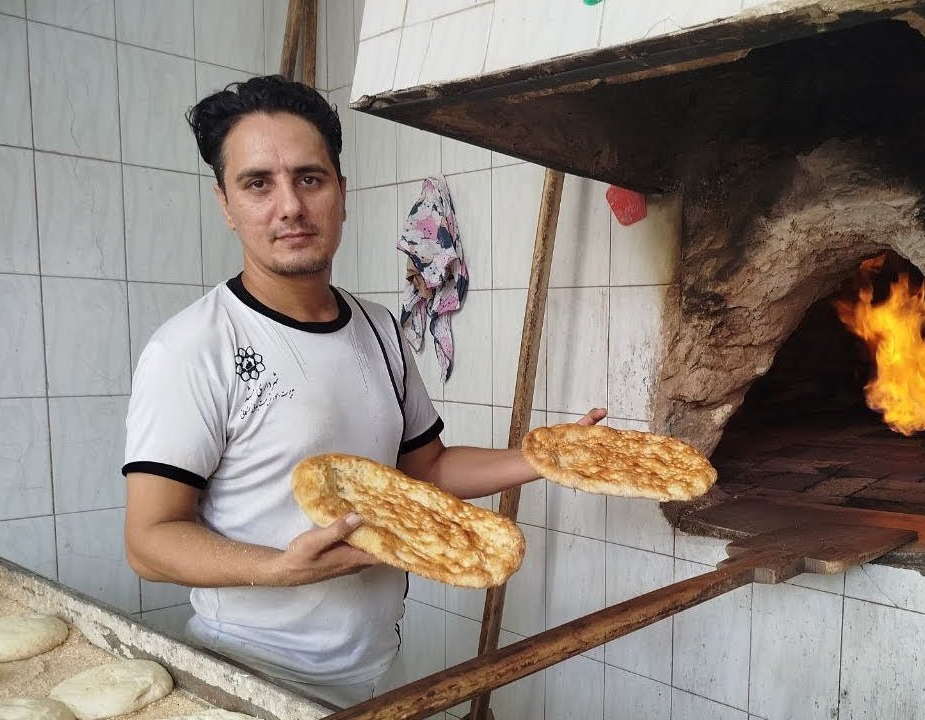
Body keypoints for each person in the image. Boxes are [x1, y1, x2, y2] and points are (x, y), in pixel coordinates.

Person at [121, 75, 605, 707]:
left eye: (309, 178)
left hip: (376, 667)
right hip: (250, 676)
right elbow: (148, 541)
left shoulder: (379, 327)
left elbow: (424, 468)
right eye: (258, 183)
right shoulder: (191, 349)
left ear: (342, 194)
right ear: (226, 204)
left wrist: (547, 459)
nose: (290, 206)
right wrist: (273, 569)